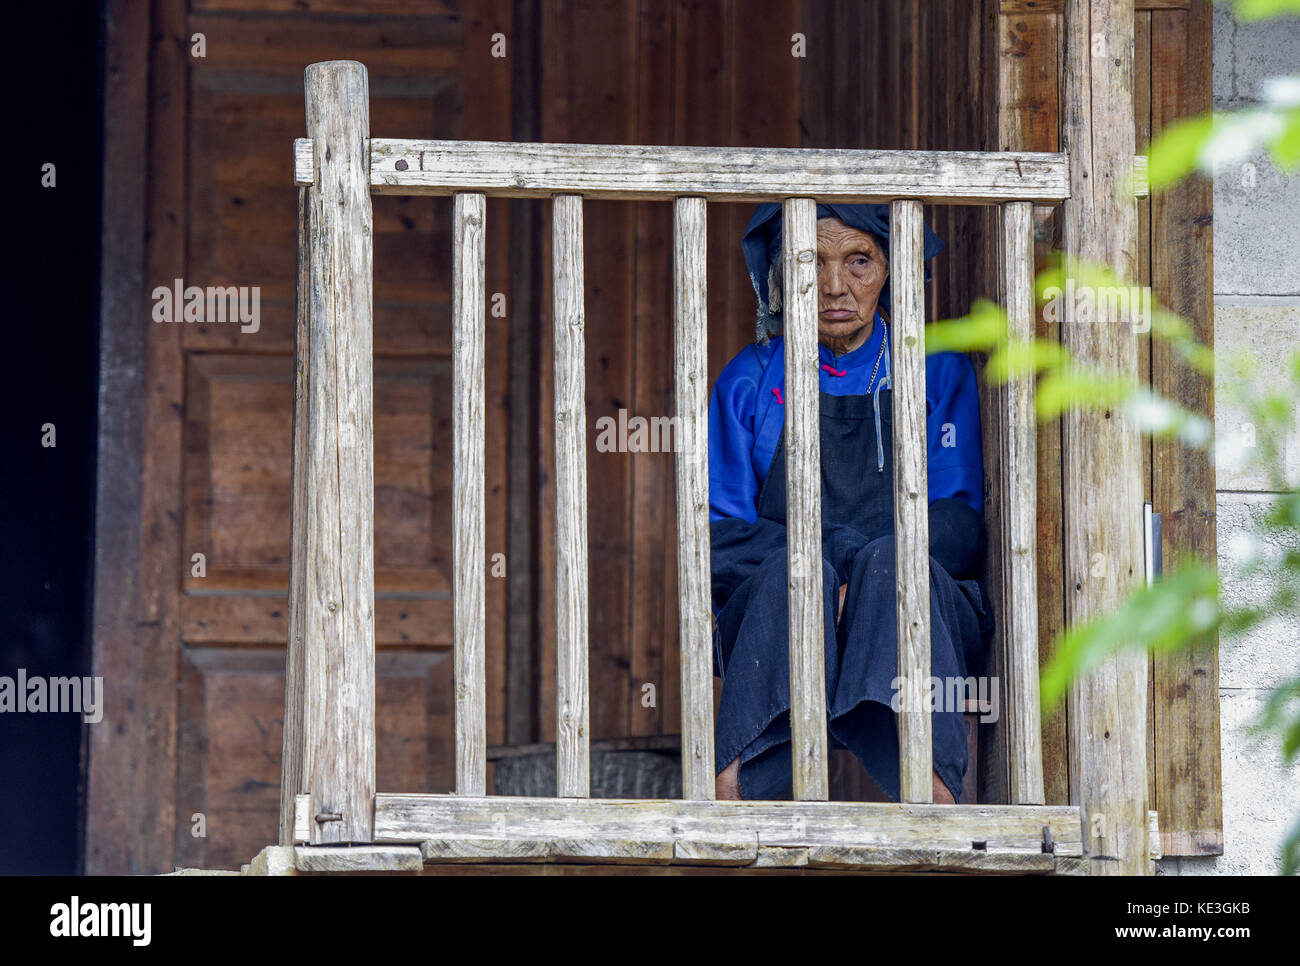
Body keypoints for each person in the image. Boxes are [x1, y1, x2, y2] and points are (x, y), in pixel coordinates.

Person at [708, 203, 995, 803]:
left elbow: (958, 523)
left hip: (919, 601)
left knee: (892, 566)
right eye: (812, 262)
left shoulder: (936, 373)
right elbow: (720, 533)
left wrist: (860, 575)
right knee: (798, 577)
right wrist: (830, 571)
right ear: (783, 275)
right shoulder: (751, 379)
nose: (835, 286)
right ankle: (733, 799)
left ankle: (935, 800)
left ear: (891, 269)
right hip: (784, 609)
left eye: (859, 260)